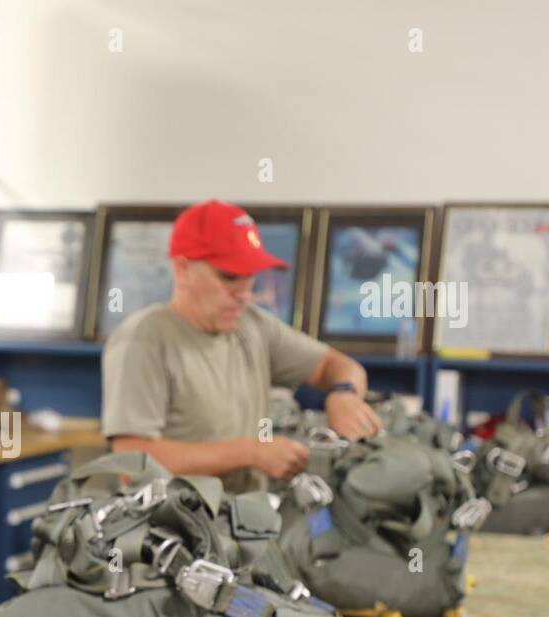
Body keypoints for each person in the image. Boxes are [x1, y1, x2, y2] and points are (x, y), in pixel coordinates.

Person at [101, 200, 383, 492]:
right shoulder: (143, 340)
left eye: (250, 277)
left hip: (247, 522)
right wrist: (250, 453)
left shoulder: (253, 325)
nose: (244, 294)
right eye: (230, 276)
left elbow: (336, 366)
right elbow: (131, 461)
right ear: (183, 268)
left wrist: (344, 395)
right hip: (173, 528)